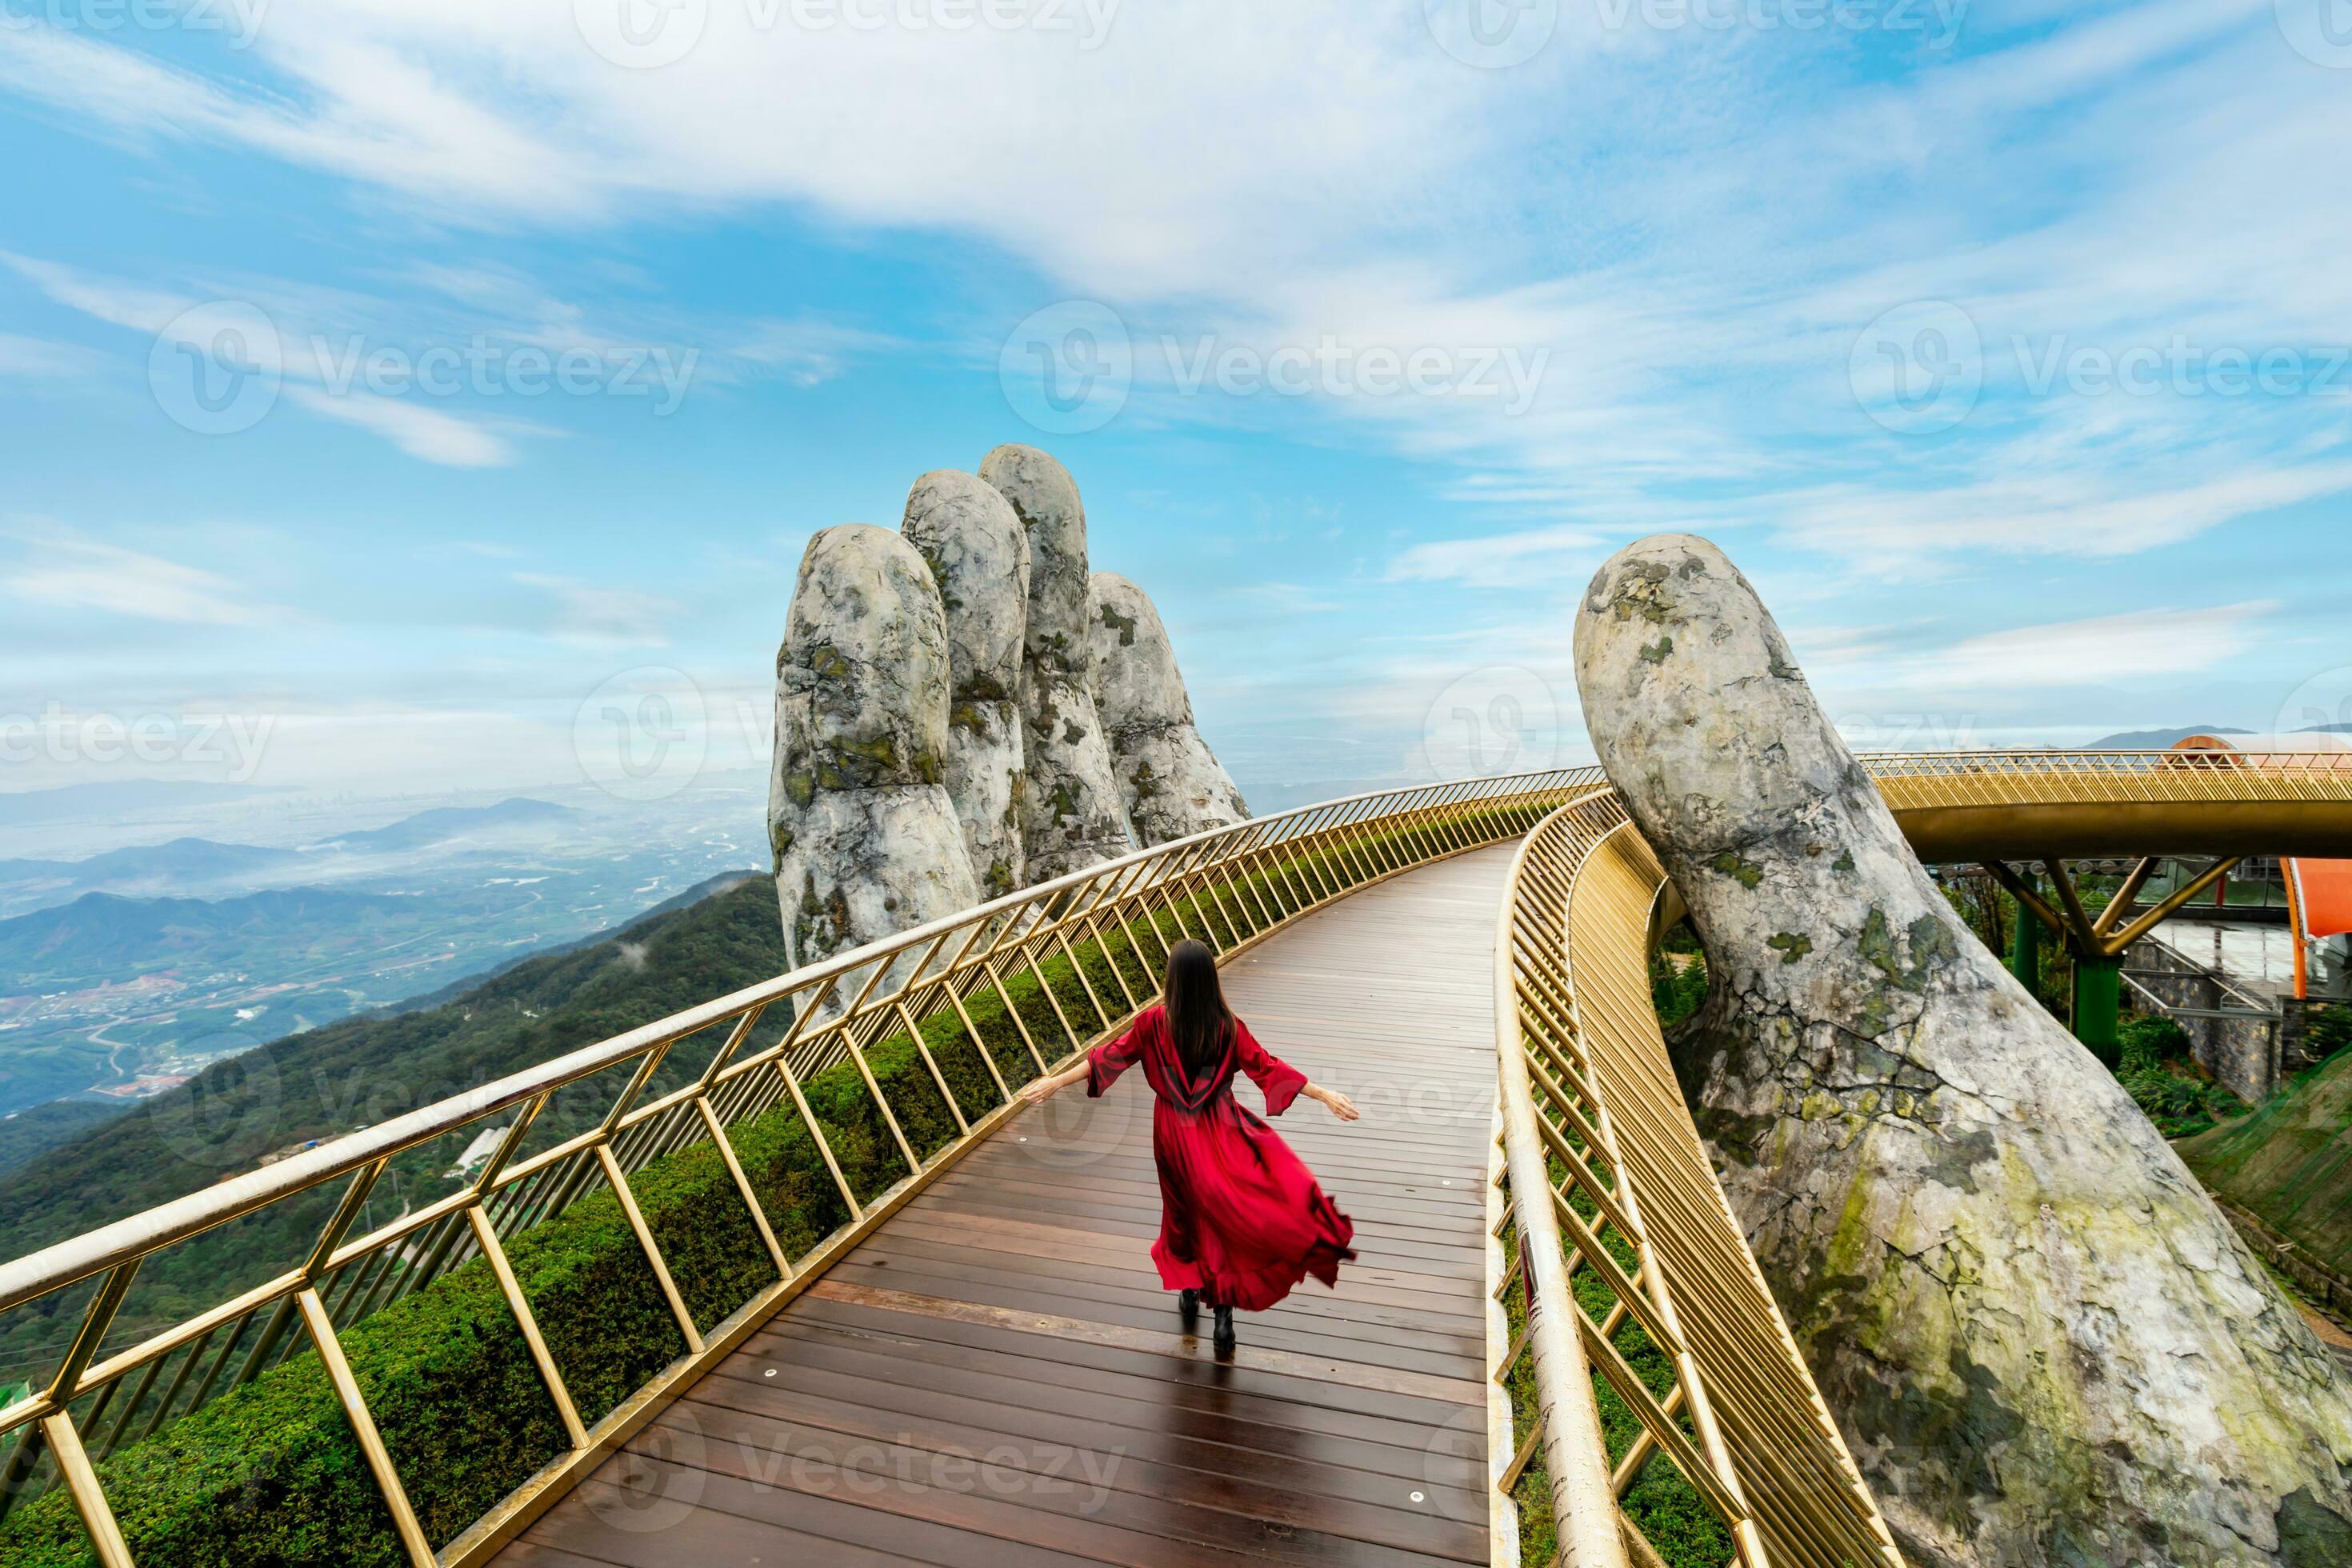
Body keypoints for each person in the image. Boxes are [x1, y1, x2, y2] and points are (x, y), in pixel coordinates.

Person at [1017, 938, 1360, 1355]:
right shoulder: (1228, 1027)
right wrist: (1324, 1095)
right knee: (1224, 1216)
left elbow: (1107, 1059)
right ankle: (1223, 1318)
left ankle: (1190, 1285)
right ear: (1210, 980)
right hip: (1221, 1128)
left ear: (1173, 980)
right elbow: (1267, 1067)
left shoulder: (1152, 1024)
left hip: (1172, 1133)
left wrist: (1054, 1082)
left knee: (1181, 1213)